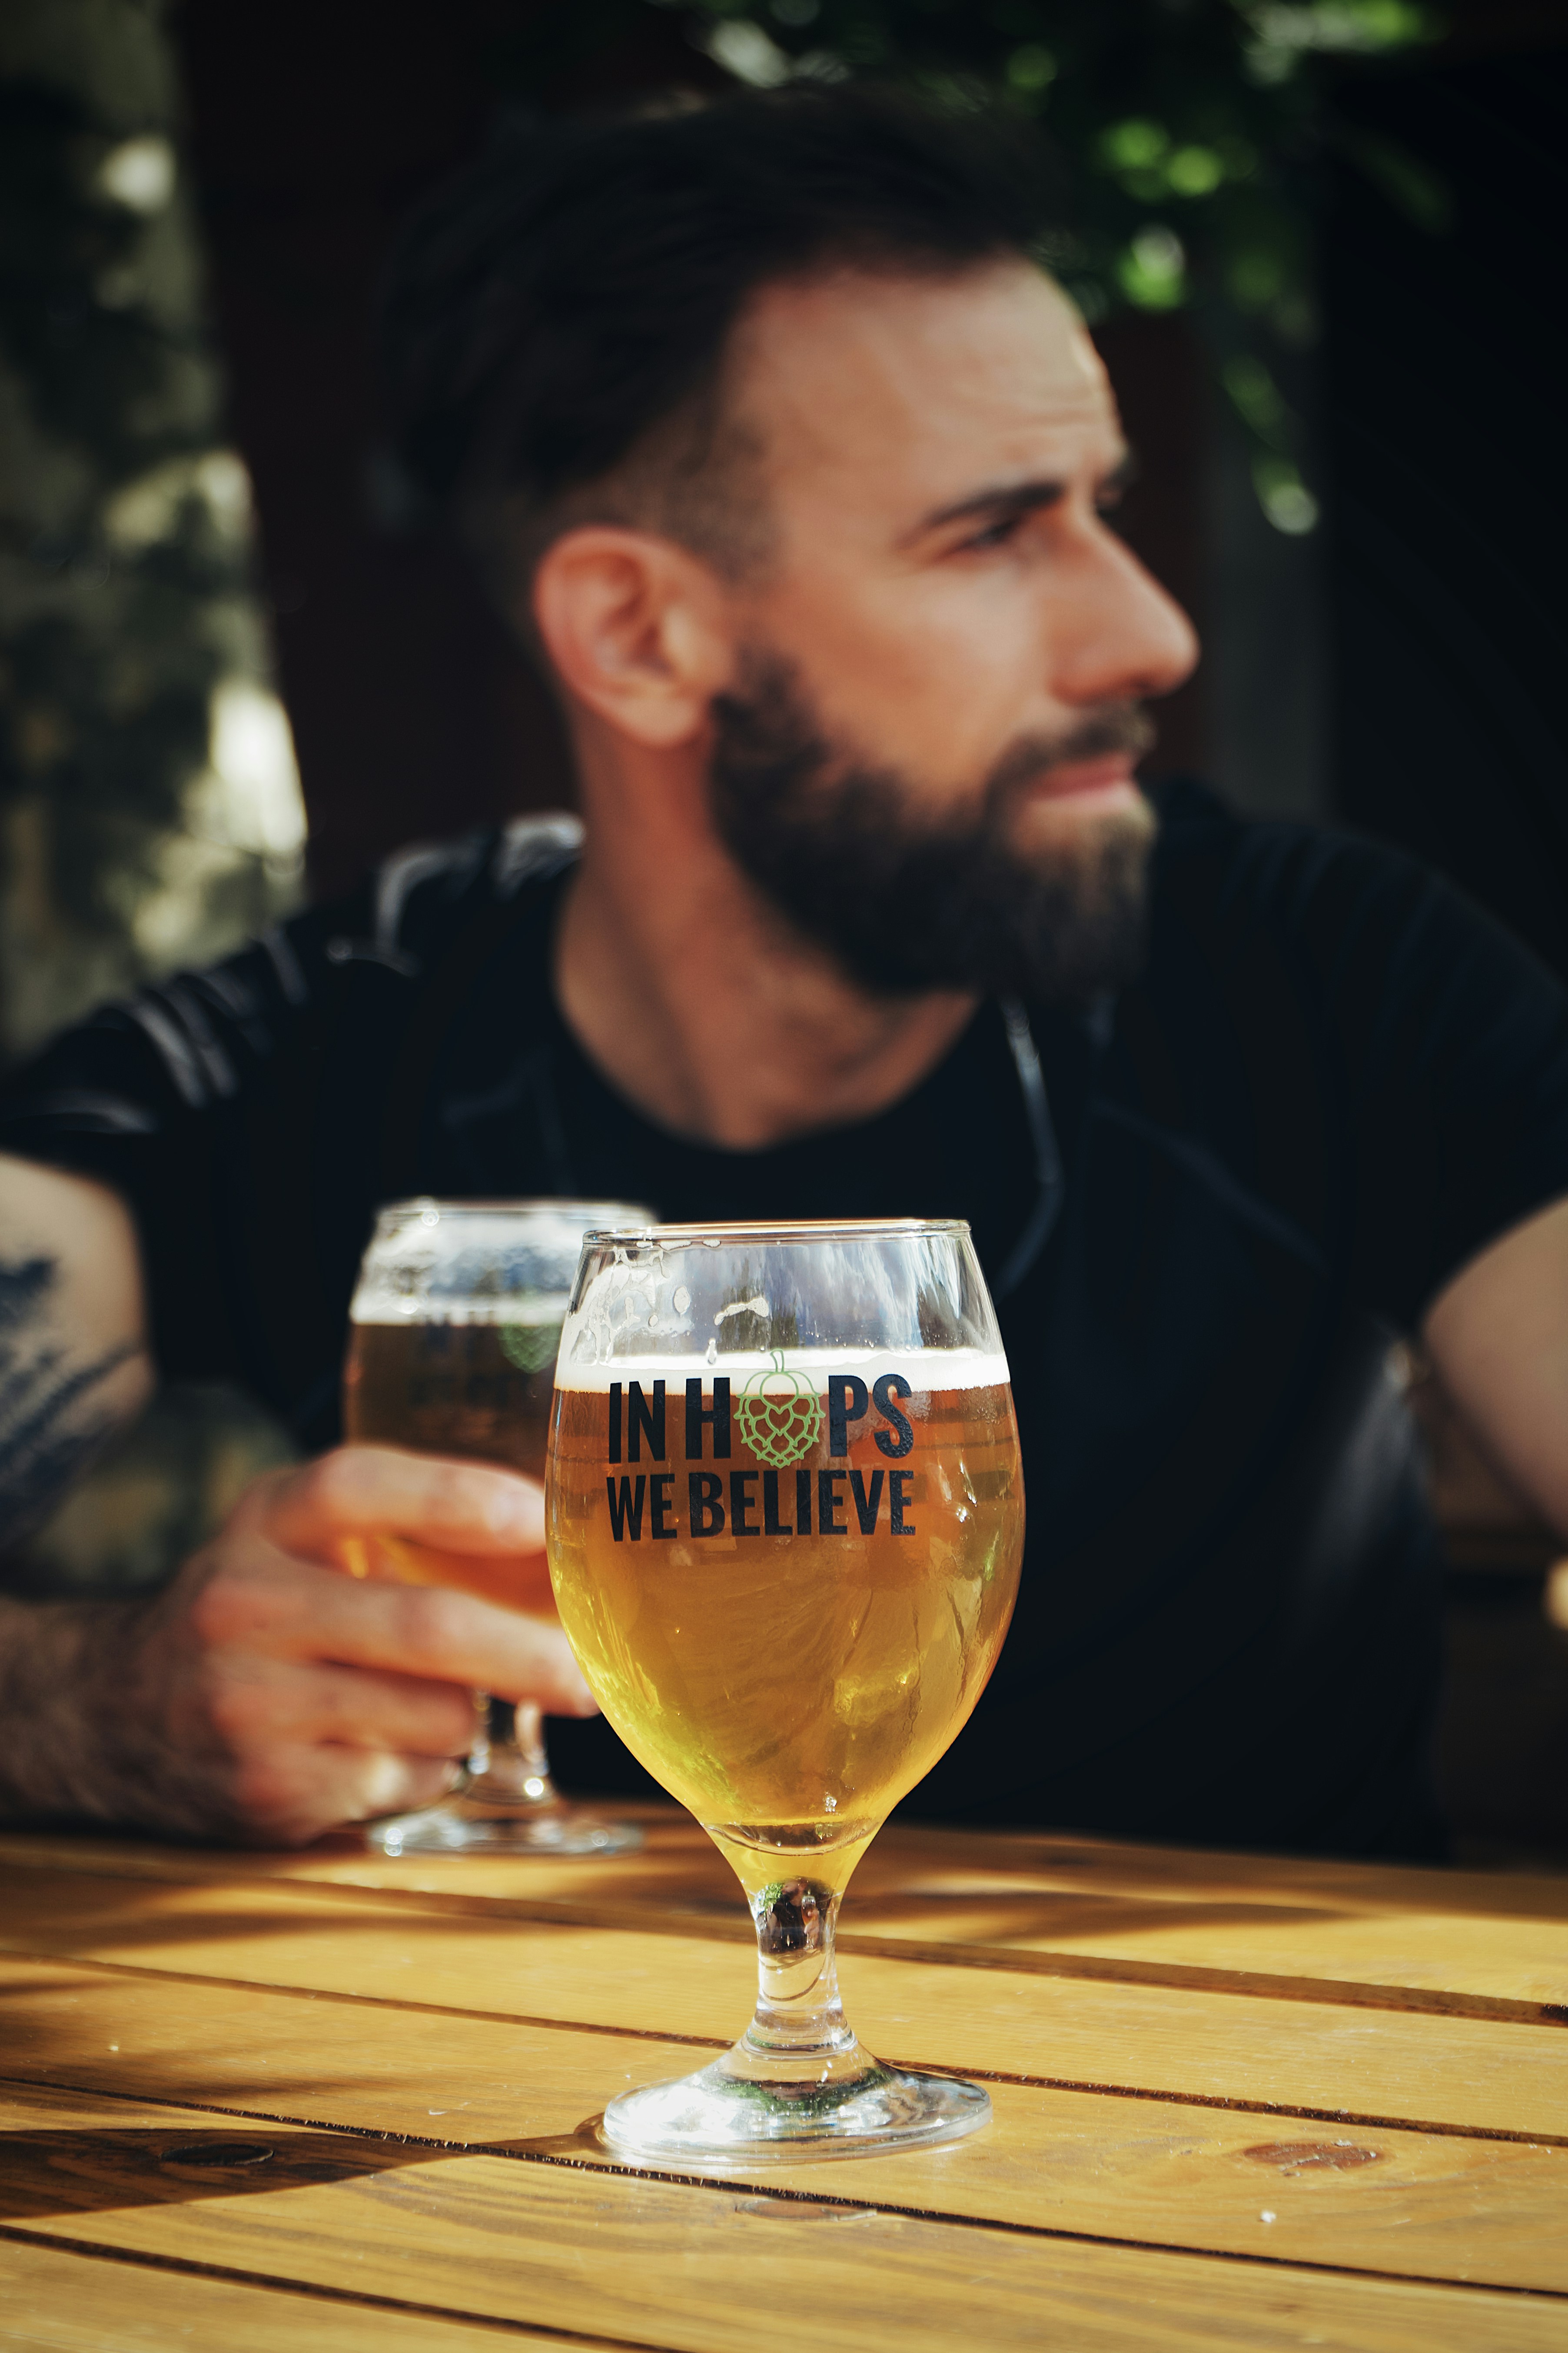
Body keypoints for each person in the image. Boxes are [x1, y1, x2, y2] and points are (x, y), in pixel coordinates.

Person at [3, 89, 1566, 1855]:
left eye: (1102, 508)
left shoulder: (1321, 971)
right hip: (514, 2109)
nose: (1147, 628)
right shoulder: (329, 1036)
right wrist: (84, 1701)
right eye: (991, 533)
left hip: (1320, 2109)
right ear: (639, 634)